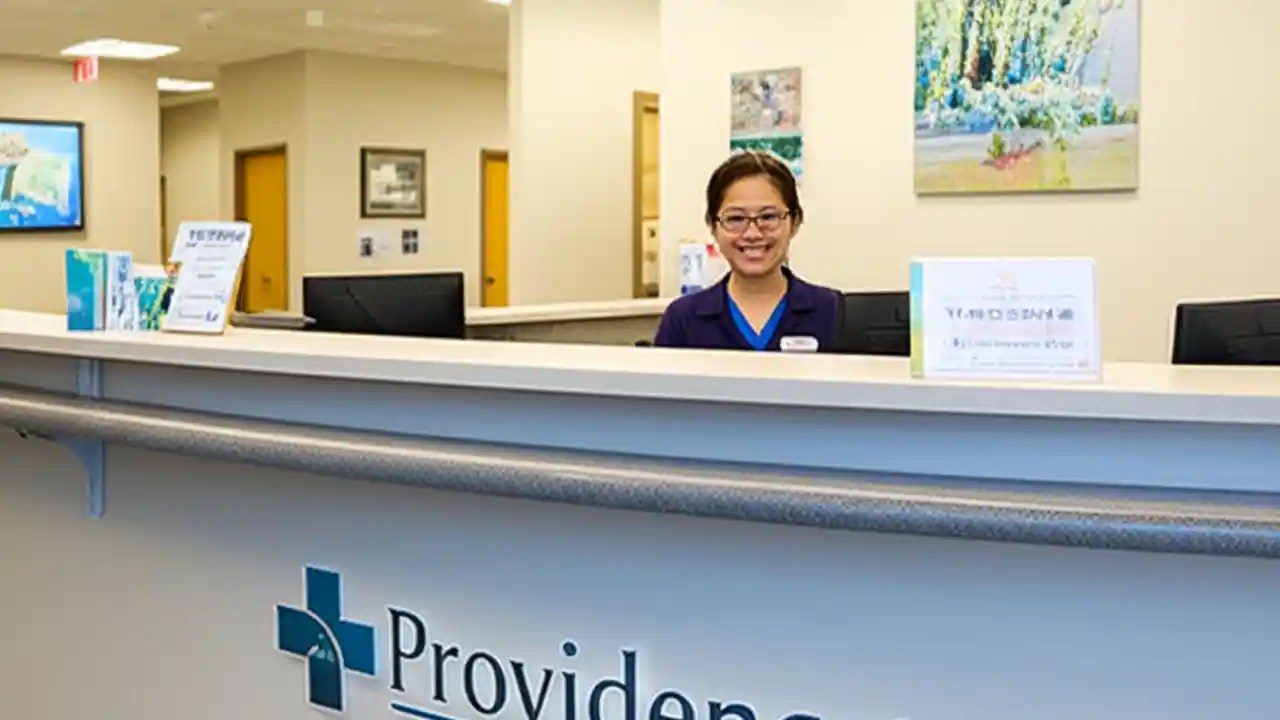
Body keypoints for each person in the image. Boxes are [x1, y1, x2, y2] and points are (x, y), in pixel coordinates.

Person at [654, 150, 841, 352]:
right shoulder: (682, 320)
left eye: (768, 217)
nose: (752, 233)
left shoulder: (833, 311)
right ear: (713, 226)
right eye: (736, 219)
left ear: (795, 222)